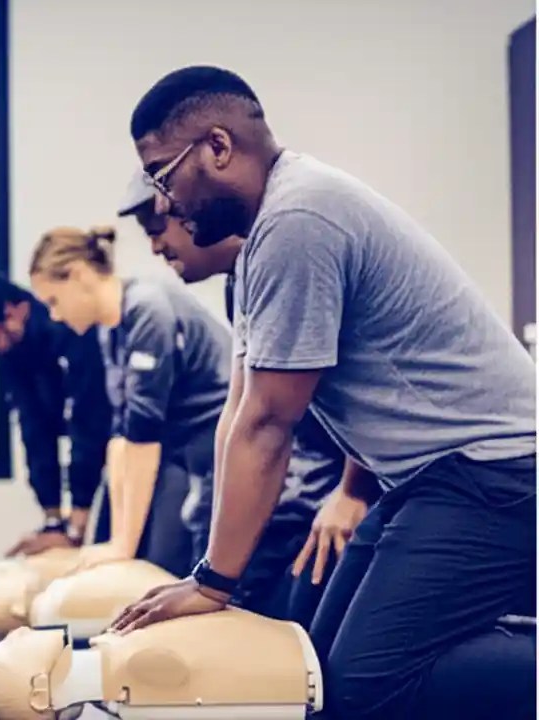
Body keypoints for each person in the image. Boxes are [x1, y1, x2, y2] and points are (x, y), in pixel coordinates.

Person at [109, 65, 537, 720]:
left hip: (496, 473)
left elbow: (268, 427)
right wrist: (216, 571)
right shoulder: (263, 245)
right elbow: (240, 414)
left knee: (367, 688)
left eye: (163, 177)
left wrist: (214, 583)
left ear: (218, 147)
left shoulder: (298, 221)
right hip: (433, 479)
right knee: (316, 672)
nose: (164, 204)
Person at [116, 178, 365, 627]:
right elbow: (239, 414)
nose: (155, 247)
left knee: (323, 651)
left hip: (344, 487)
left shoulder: (291, 258)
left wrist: (351, 490)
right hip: (303, 490)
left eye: (160, 228)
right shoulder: (241, 284)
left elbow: (368, 384)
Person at [28, 225, 230, 578]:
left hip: (212, 451)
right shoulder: (111, 329)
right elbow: (122, 436)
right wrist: (114, 540)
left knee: (157, 567)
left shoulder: (148, 309)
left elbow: (143, 434)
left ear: (78, 275)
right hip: (176, 448)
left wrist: (124, 546)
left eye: (53, 302)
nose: (55, 316)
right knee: (113, 552)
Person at [0, 274, 111, 553]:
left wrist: (79, 516)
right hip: (93, 443)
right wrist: (53, 521)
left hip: (128, 442)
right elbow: (34, 432)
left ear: (14, 311)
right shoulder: (12, 353)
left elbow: (88, 421)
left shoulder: (68, 326)